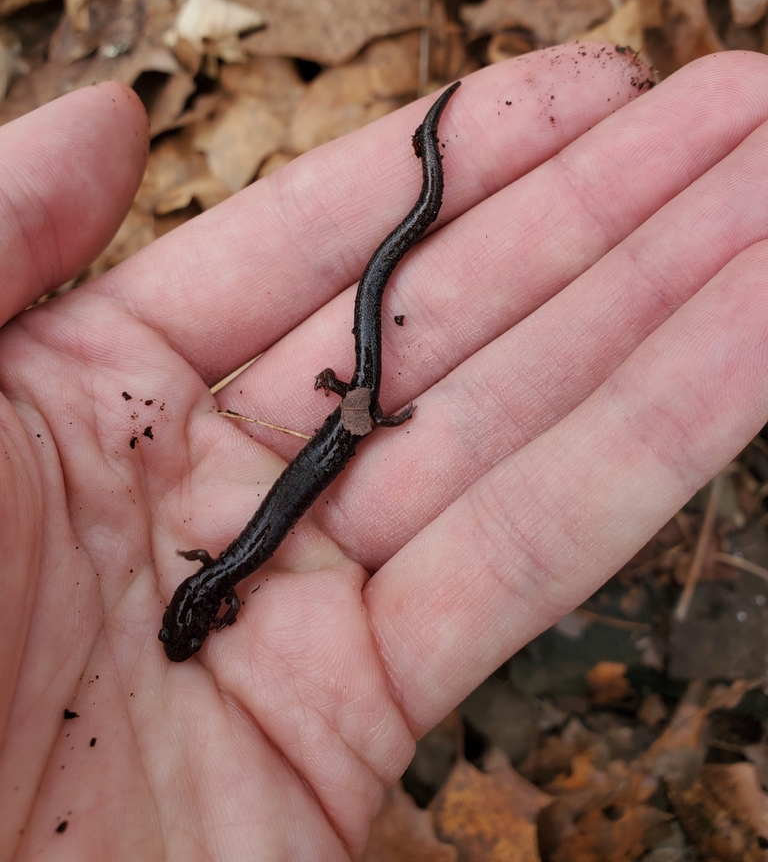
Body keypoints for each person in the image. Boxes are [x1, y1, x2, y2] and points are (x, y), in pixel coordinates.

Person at [1, 44, 767, 859]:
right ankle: (424, 173)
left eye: (192, 622)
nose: (197, 619)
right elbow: (213, 579)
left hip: (347, 426)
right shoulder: (213, 572)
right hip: (344, 427)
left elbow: (220, 587)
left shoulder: (224, 583)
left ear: (202, 605)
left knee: (383, 273)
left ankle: (428, 171)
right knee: (378, 277)